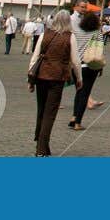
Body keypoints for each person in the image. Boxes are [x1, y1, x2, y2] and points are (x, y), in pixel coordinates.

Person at [28, 10, 81, 156]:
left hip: (41, 76)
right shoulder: (70, 37)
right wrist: (79, 79)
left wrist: (30, 78)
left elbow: (35, 57)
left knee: (41, 110)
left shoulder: (45, 34)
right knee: (50, 114)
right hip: (57, 78)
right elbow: (76, 62)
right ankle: (41, 149)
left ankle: (41, 144)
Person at [66, 10, 102, 131]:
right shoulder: (97, 33)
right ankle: (78, 122)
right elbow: (99, 50)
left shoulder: (77, 32)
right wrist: (100, 67)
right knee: (85, 94)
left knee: (78, 92)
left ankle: (73, 116)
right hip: (90, 66)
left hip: (76, 65)